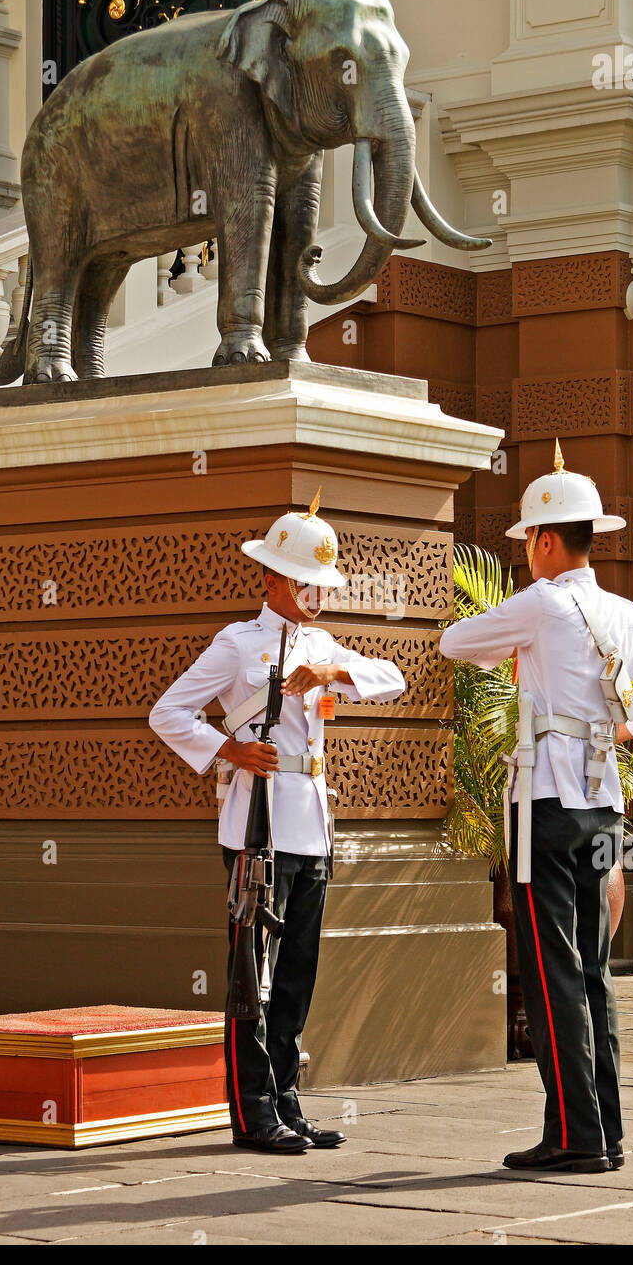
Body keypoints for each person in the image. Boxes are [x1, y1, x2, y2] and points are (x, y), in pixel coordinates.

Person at [439, 442, 633, 1173]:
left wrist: (512, 649)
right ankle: (605, 1130)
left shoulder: (541, 604)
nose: (527, 552)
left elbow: (455, 641)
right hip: (604, 808)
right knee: (593, 969)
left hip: (546, 806)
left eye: (529, 539)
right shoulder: (624, 613)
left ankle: (573, 1137)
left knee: (553, 971)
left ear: (547, 541)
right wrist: (629, 732)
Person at [149, 490, 405, 1154]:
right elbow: (168, 712)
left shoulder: (321, 644)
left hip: (310, 827)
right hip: (255, 830)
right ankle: (253, 1112)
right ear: (271, 579)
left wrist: (332, 670)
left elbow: (393, 679)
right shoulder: (238, 645)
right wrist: (228, 750)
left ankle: (288, 1103)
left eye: (320, 583)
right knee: (251, 979)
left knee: (296, 974)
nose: (315, 594)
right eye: (303, 581)